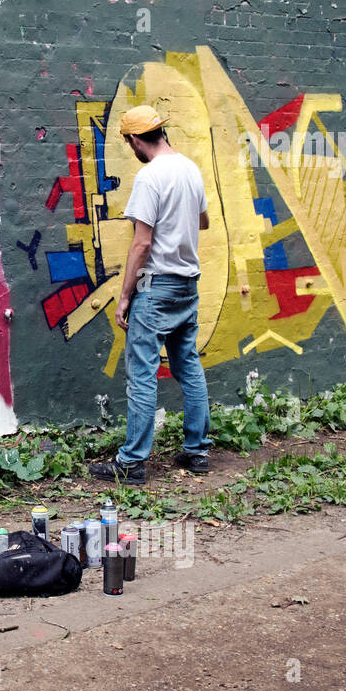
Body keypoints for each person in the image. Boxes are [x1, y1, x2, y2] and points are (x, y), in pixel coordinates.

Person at [88, 105, 212, 484]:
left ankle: (132, 462)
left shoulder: (149, 176)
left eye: (129, 143)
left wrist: (125, 296)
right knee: (188, 365)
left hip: (156, 287)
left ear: (136, 139)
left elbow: (142, 244)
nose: (131, 149)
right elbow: (203, 221)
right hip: (187, 285)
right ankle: (197, 452)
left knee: (141, 374)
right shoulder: (190, 169)